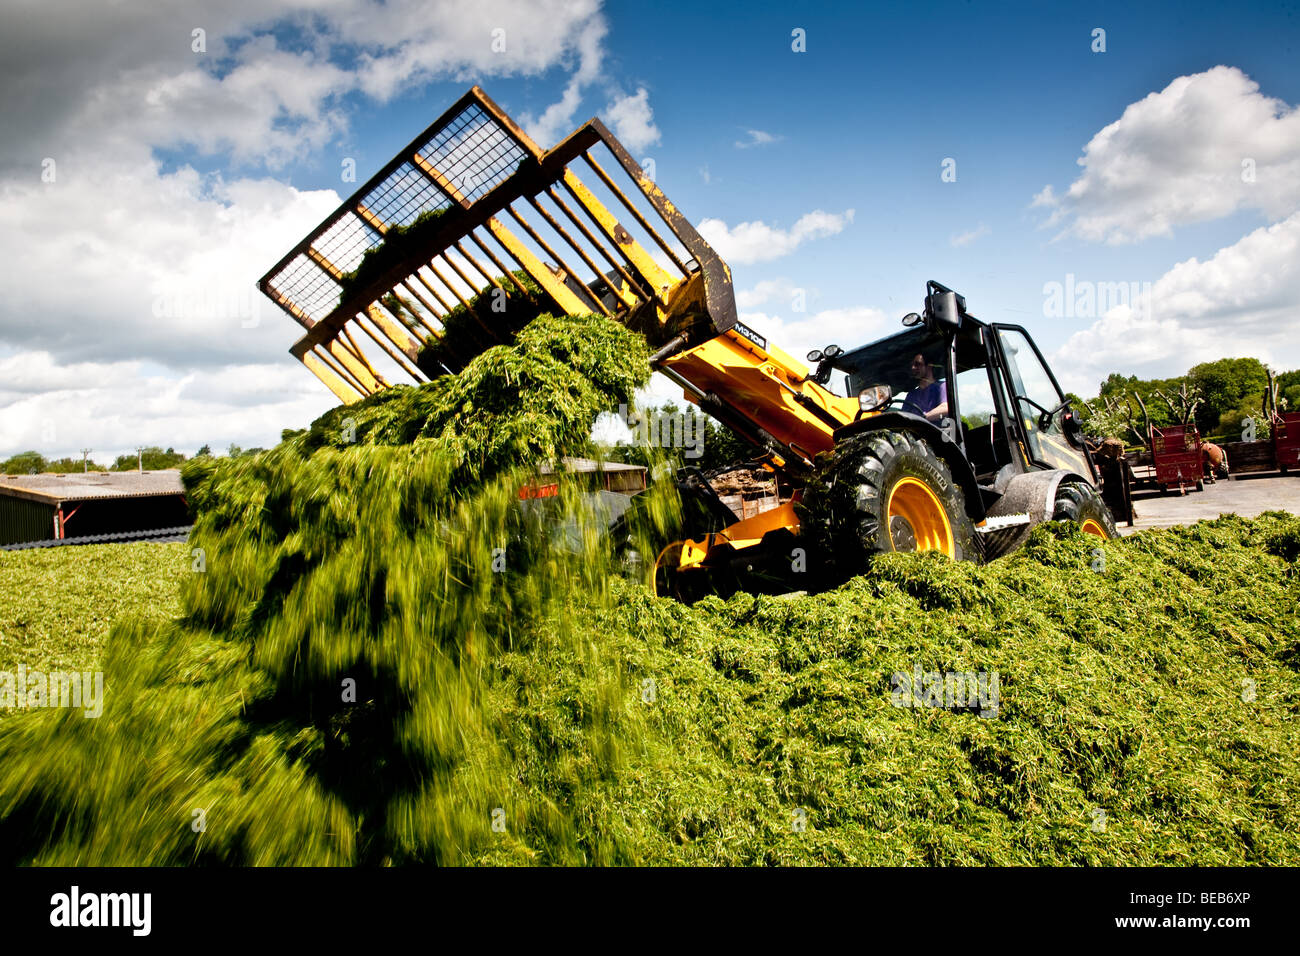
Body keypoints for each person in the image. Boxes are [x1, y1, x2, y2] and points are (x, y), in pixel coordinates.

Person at [901, 353, 949, 422]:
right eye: (912, 365)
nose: (913, 368)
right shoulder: (911, 395)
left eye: (917, 364)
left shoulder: (942, 386)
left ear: (929, 366)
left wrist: (921, 420)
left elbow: (945, 408)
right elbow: (904, 417)